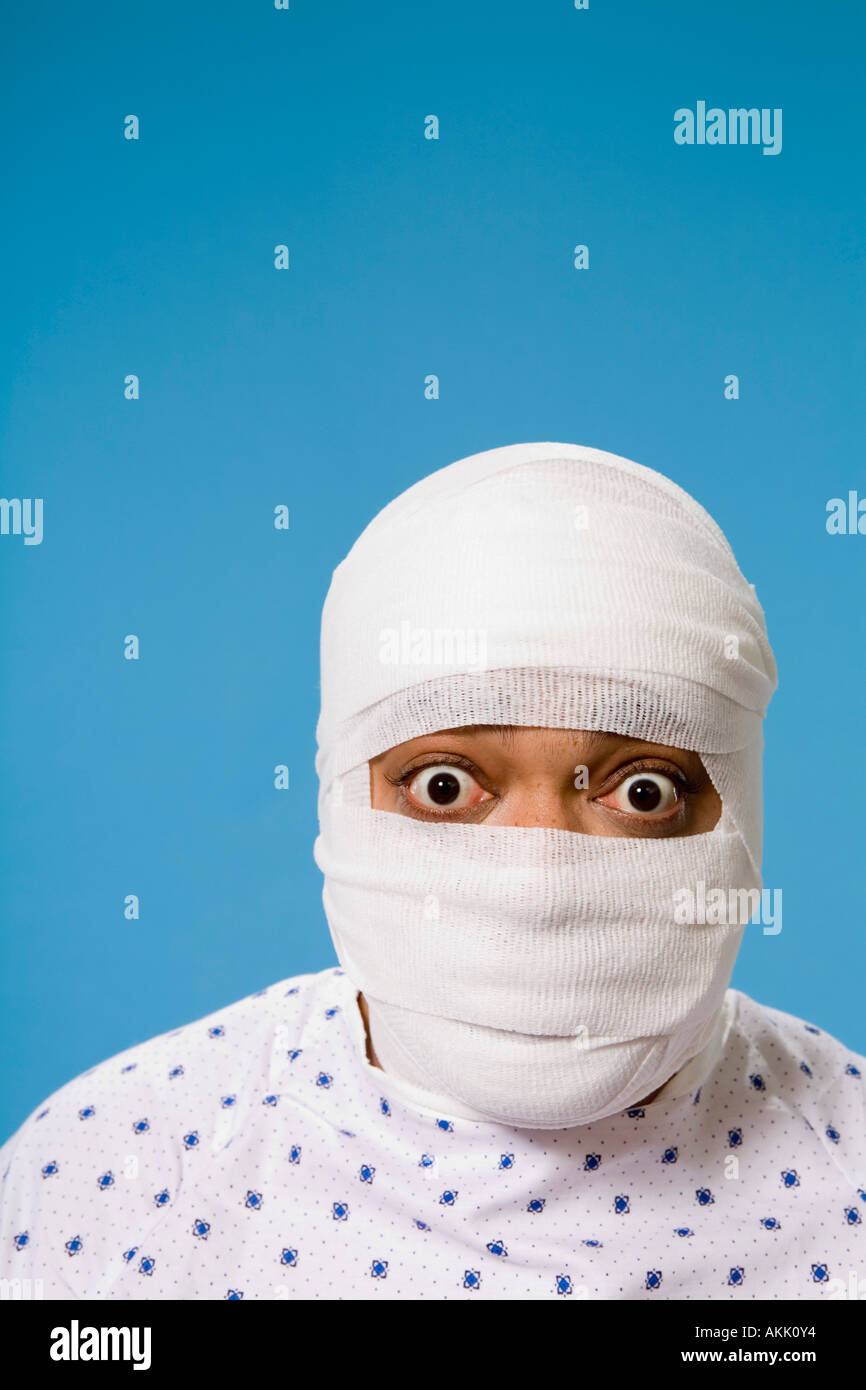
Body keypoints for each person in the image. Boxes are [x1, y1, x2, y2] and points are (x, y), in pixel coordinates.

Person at [1, 440, 863, 1301]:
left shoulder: (845, 1167)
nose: (540, 886)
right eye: (444, 786)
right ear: (344, 790)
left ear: (739, 803)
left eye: (642, 791)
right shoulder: (108, 1174)